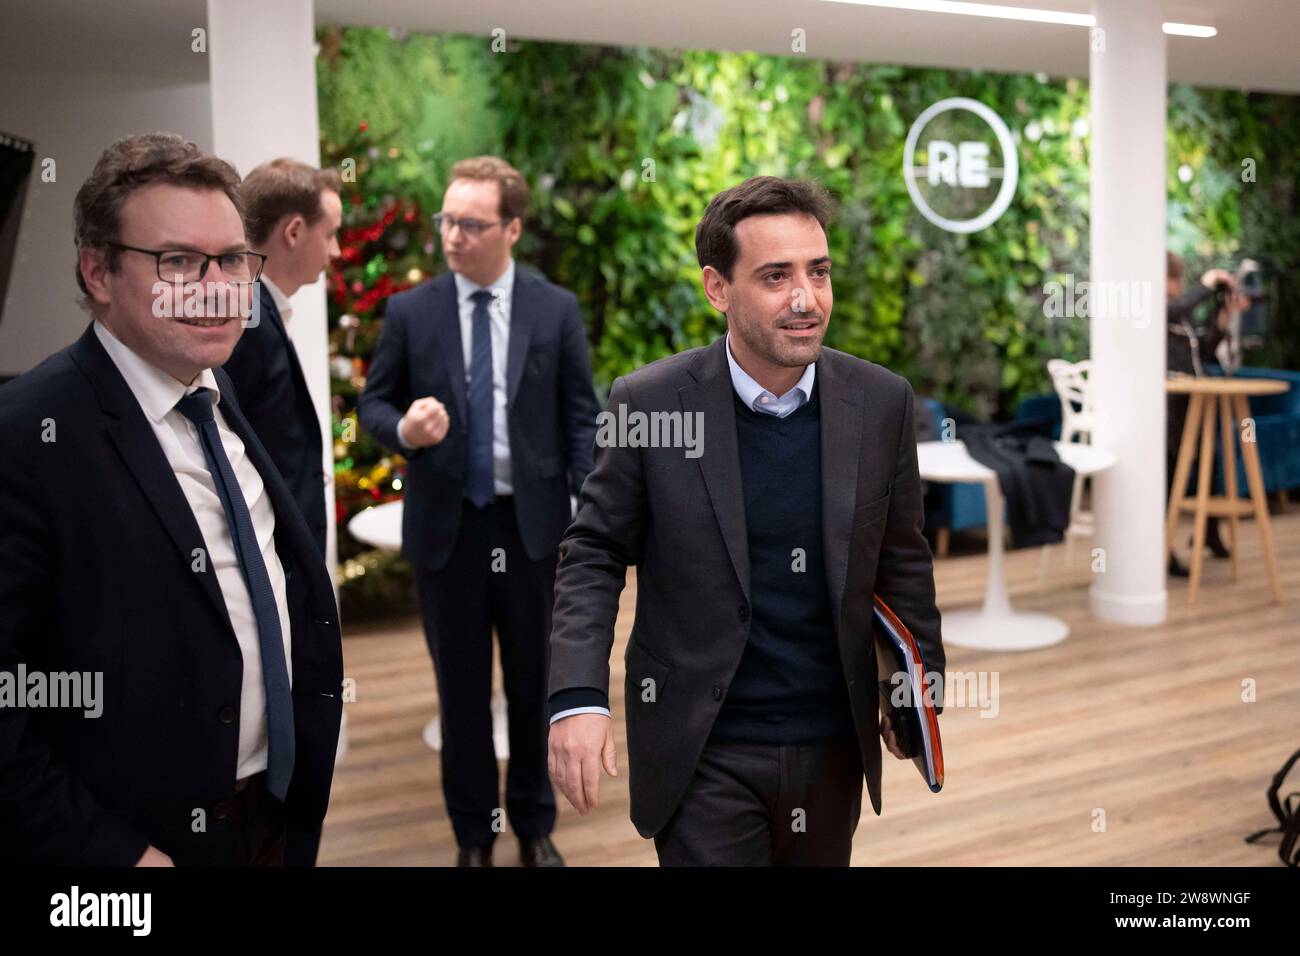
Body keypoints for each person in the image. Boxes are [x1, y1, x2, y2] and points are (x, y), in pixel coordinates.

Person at [546, 176, 946, 866]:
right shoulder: (650, 402)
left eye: (818, 272)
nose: (806, 299)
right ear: (717, 288)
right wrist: (578, 696)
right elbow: (594, 552)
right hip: (703, 744)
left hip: (833, 742)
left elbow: (903, 559)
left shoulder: (881, 402)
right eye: (775, 276)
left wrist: (917, 691)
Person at [0, 132, 344, 865]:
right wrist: (117, 857)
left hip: (272, 821)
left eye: (232, 260)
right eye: (179, 262)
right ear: (99, 271)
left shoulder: (215, 397)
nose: (218, 287)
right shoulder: (29, 434)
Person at [359, 156, 600, 867]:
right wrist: (405, 430)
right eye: (447, 220)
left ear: (512, 228)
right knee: (461, 699)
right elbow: (373, 404)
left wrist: (592, 510)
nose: (453, 235)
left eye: (471, 223)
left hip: (533, 533)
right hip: (448, 532)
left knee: (533, 690)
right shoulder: (412, 310)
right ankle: (473, 838)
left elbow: (581, 418)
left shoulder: (555, 309)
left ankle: (534, 826)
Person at [224, 158, 342, 559]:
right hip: (273, 552)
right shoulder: (248, 318)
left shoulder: (258, 309)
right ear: (294, 231)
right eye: (330, 235)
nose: (336, 250)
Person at [1165, 252, 1247, 577]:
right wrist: (1206, 285)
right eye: (1176, 278)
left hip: (1197, 402)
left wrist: (1223, 312)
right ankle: (1164, 548)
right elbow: (1173, 308)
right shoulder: (1152, 309)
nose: (1179, 284)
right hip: (1172, 405)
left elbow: (1204, 348)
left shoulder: (1179, 316)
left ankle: (1209, 532)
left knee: (1211, 465)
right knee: (1170, 475)